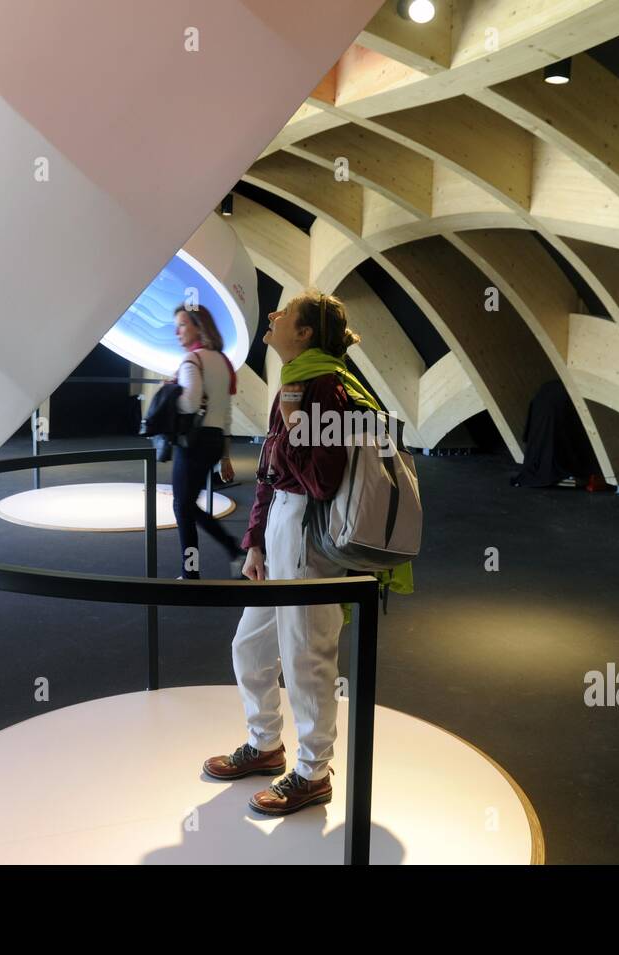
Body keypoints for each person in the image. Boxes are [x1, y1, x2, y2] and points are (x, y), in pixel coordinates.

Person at [202, 290, 364, 816]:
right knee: (251, 646)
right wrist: (253, 539)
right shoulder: (296, 383)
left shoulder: (327, 388)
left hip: (308, 534)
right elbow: (272, 472)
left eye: (283, 314)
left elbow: (322, 480)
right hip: (279, 531)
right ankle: (265, 744)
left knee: (307, 656)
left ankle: (314, 772)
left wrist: (295, 423)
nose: (271, 318)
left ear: (306, 333)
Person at [170, 303, 243, 579]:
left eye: (182, 324)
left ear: (198, 326)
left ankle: (191, 572)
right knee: (187, 504)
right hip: (212, 442)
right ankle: (231, 550)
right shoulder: (223, 362)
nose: (177, 332)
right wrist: (225, 454)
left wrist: (169, 394)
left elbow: (188, 404)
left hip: (193, 442)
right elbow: (226, 414)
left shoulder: (192, 360)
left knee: (182, 506)